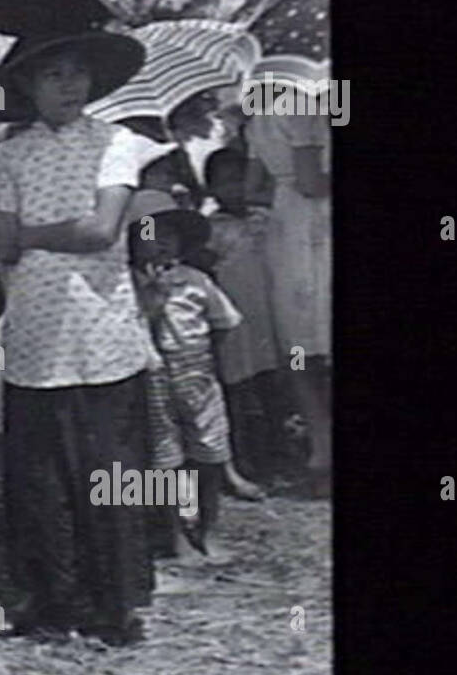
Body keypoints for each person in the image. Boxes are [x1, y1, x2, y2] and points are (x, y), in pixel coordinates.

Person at [0, 28, 163, 645]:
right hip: (35, 339)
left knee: (110, 473)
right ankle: (51, 598)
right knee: (41, 482)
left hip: (102, 334)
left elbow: (103, 229)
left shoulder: (118, 144)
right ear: (26, 87)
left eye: (77, 72)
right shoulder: (8, 157)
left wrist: (29, 236)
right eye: (53, 75)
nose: (69, 85)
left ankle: (118, 602)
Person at [127, 191, 242, 564]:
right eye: (148, 234)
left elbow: (224, 323)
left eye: (168, 234)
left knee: (209, 453)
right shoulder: (126, 286)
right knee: (166, 459)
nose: (159, 243)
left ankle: (208, 530)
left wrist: (205, 362)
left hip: (199, 375)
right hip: (154, 378)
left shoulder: (196, 281)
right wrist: (153, 302)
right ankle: (176, 534)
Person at [243, 78, 332, 497]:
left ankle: (320, 446)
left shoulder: (259, 116)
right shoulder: (306, 106)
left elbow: (250, 189)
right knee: (324, 334)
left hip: (284, 224)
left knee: (299, 343)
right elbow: (313, 182)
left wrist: (282, 191)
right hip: (317, 223)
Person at [203, 148, 293, 485]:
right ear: (210, 189)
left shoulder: (267, 217)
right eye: (225, 182)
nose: (236, 187)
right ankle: (244, 455)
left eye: (242, 178)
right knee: (240, 388)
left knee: (276, 382)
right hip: (237, 323)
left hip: (271, 316)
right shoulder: (211, 228)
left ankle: (280, 445)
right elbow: (204, 270)